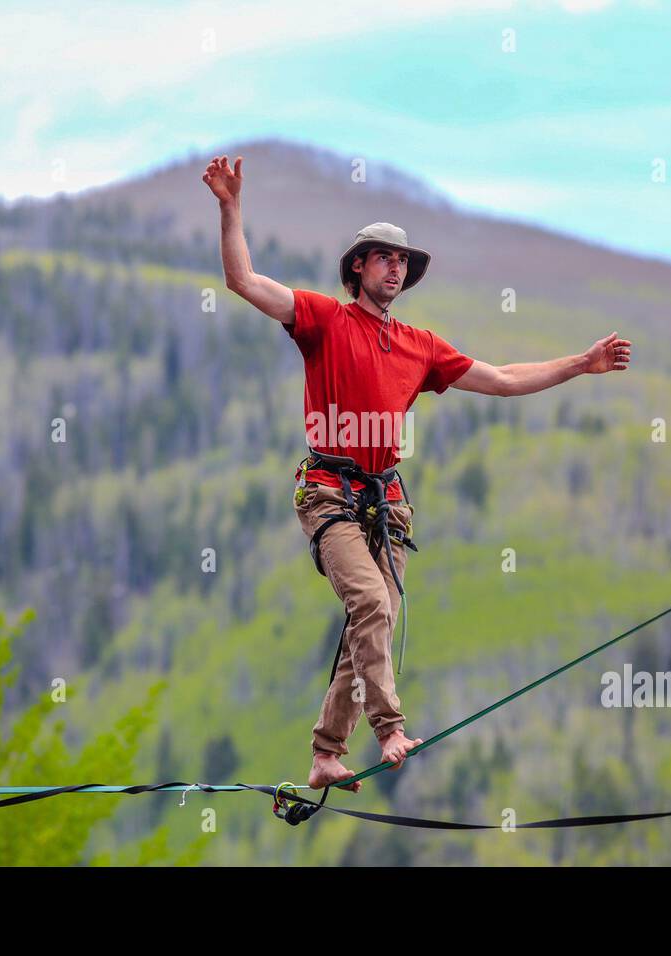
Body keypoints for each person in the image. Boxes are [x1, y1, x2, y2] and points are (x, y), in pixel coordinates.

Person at [202, 154, 632, 793]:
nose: (396, 267)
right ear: (358, 267)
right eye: (385, 258)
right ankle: (388, 728)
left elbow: (505, 378)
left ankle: (326, 753)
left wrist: (582, 363)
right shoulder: (322, 319)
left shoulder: (420, 345)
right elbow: (243, 280)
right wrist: (232, 208)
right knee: (370, 602)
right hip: (328, 491)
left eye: (403, 261)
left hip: (386, 503)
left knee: (373, 620)